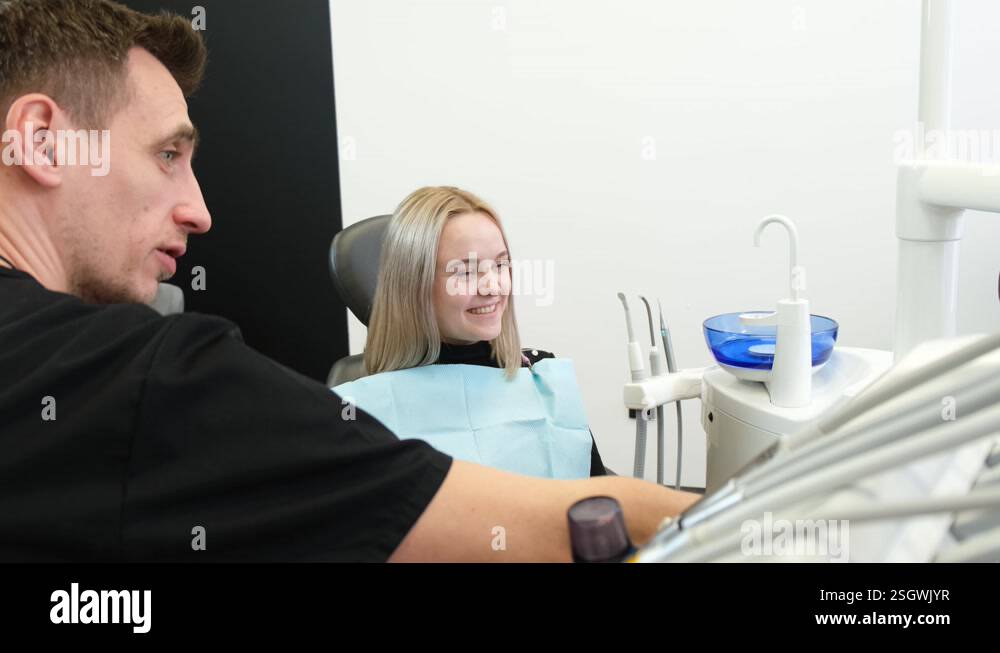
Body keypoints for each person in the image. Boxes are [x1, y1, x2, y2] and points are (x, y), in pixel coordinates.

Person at [0, 0, 698, 563]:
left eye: (500, 264)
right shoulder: (153, 379)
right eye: (167, 154)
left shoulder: (548, 384)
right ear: (40, 140)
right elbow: (583, 525)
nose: (201, 211)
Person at [343, 185, 607, 478]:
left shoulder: (543, 381)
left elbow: (596, 498)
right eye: (465, 272)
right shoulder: (367, 413)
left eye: (500, 264)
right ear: (413, 286)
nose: (493, 286)